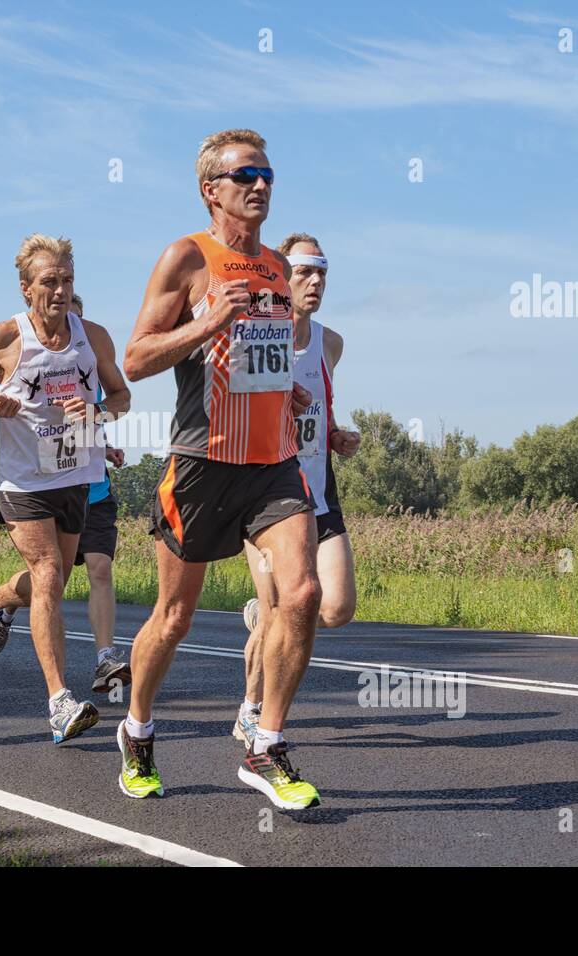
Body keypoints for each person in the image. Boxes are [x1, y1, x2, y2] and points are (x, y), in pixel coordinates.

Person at [117, 129, 323, 808]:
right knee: (174, 616)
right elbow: (137, 357)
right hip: (202, 463)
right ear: (211, 190)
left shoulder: (273, 267)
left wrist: (284, 389)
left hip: (272, 465)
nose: (260, 185)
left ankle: (265, 746)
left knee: (302, 596)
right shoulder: (187, 257)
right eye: (245, 176)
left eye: (267, 175)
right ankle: (139, 731)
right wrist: (204, 323)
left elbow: (257, 364)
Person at [0, 234, 131, 744]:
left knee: (50, 583)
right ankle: (59, 701)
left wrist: (98, 411)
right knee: (50, 570)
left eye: (67, 280)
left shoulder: (93, 335)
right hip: (23, 480)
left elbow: (122, 395)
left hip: (76, 476)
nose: (59, 290)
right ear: (25, 288)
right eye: (49, 282)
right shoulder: (2, 337)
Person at [235, 233, 362, 747]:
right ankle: (251, 708)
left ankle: (266, 614)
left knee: (336, 608)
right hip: (265, 491)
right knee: (281, 609)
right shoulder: (260, 335)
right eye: (305, 271)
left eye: (322, 272)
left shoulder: (331, 344)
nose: (315, 282)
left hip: (319, 490)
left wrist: (337, 436)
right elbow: (235, 408)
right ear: (282, 277)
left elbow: (320, 417)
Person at [69, 293, 132, 693]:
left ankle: (105, 658)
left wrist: (103, 446)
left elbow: (113, 406)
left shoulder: (93, 370)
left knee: (101, 569)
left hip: (94, 490)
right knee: (47, 582)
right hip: (51, 493)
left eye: (77, 323)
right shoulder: (37, 370)